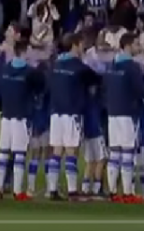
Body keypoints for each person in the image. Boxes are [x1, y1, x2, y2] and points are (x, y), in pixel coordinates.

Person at [46, 32, 100, 199]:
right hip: (72, 113)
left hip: (55, 112)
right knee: (71, 151)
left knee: (56, 151)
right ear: (76, 44)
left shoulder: (55, 64)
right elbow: (97, 79)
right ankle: (72, 191)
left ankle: (52, 190)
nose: (83, 47)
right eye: (82, 44)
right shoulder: (79, 67)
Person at [0, 40, 45, 200]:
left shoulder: (4, 70)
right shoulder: (30, 72)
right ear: (25, 51)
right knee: (20, 154)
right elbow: (41, 88)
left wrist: (2, 108)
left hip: (6, 116)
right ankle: (17, 191)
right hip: (22, 116)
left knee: (3, 153)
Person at [103, 32, 144, 203]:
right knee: (128, 152)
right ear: (128, 46)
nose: (139, 47)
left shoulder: (112, 65)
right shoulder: (132, 67)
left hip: (112, 112)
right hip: (128, 112)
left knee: (115, 152)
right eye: (137, 44)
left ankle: (113, 192)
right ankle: (128, 193)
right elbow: (140, 90)